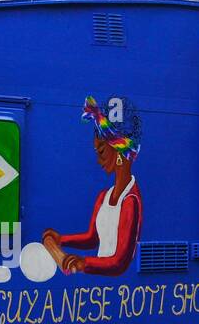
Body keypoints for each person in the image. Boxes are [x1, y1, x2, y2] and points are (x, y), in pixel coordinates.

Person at [42, 96, 143, 277]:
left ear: (120, 151)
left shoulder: (130, 201)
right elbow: (91, 238)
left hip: (114, 285)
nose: (99, 160)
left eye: (102, 151)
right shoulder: (104, 196)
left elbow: (119, 262)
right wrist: (61, 239)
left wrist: (83, 263)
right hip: (100, 282)